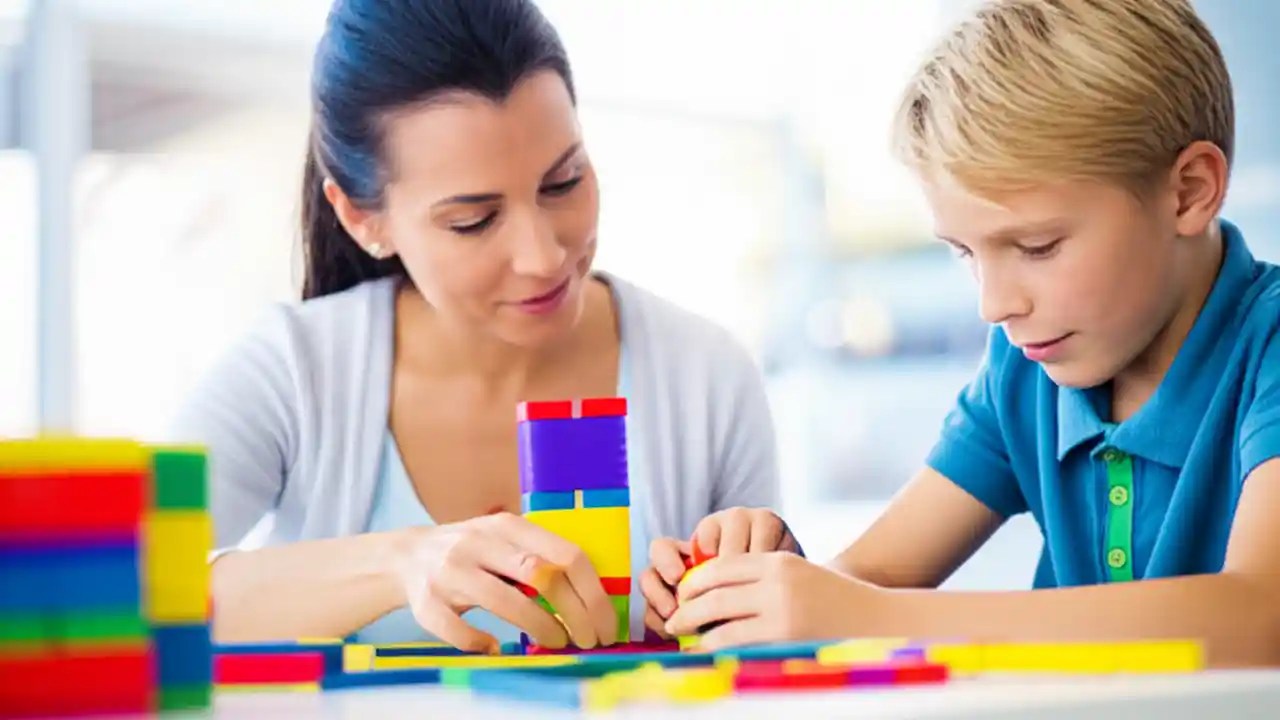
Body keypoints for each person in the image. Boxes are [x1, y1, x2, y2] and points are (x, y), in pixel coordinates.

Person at [666, 0, 1280, 668]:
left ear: (1189, 192)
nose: (994, 303)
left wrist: (867, 615)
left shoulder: (1266, 344)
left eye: (1038, 246)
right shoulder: (1026, 369)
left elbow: (1260, 616)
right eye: (964, 252)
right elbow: (870, 581)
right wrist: (760, 589)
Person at [170, 0, 799, 653]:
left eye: (563, 182)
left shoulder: (706, 375)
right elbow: (120, 594)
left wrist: (760, 582)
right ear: (363, 219)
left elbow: (764, 660)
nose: (545, 256)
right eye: (473, 220)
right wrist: (402, 562)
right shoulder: (293, 371)